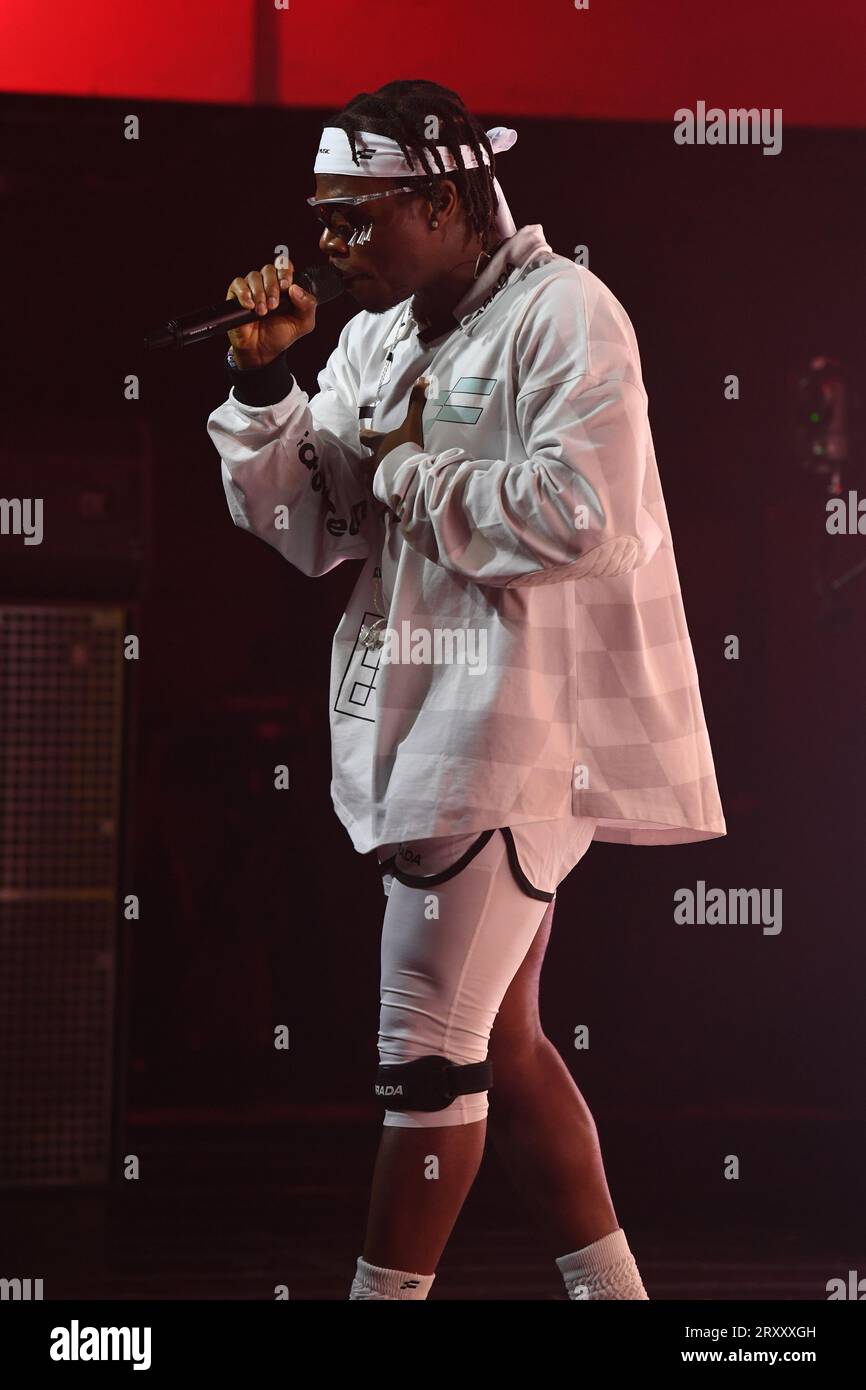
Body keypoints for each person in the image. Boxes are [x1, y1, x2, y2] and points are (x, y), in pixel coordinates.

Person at [206, 78, 726, 1300]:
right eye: (321, 222)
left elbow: (583, 518)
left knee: (423, 1059)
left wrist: (405, 478)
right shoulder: (378, 334)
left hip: (514, 731)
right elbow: (316, 521)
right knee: (507, 1043)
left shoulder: (567, 315)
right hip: (419, 721)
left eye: (355, 220)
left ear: (442, 200)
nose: (328, 250)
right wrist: (264, 389)